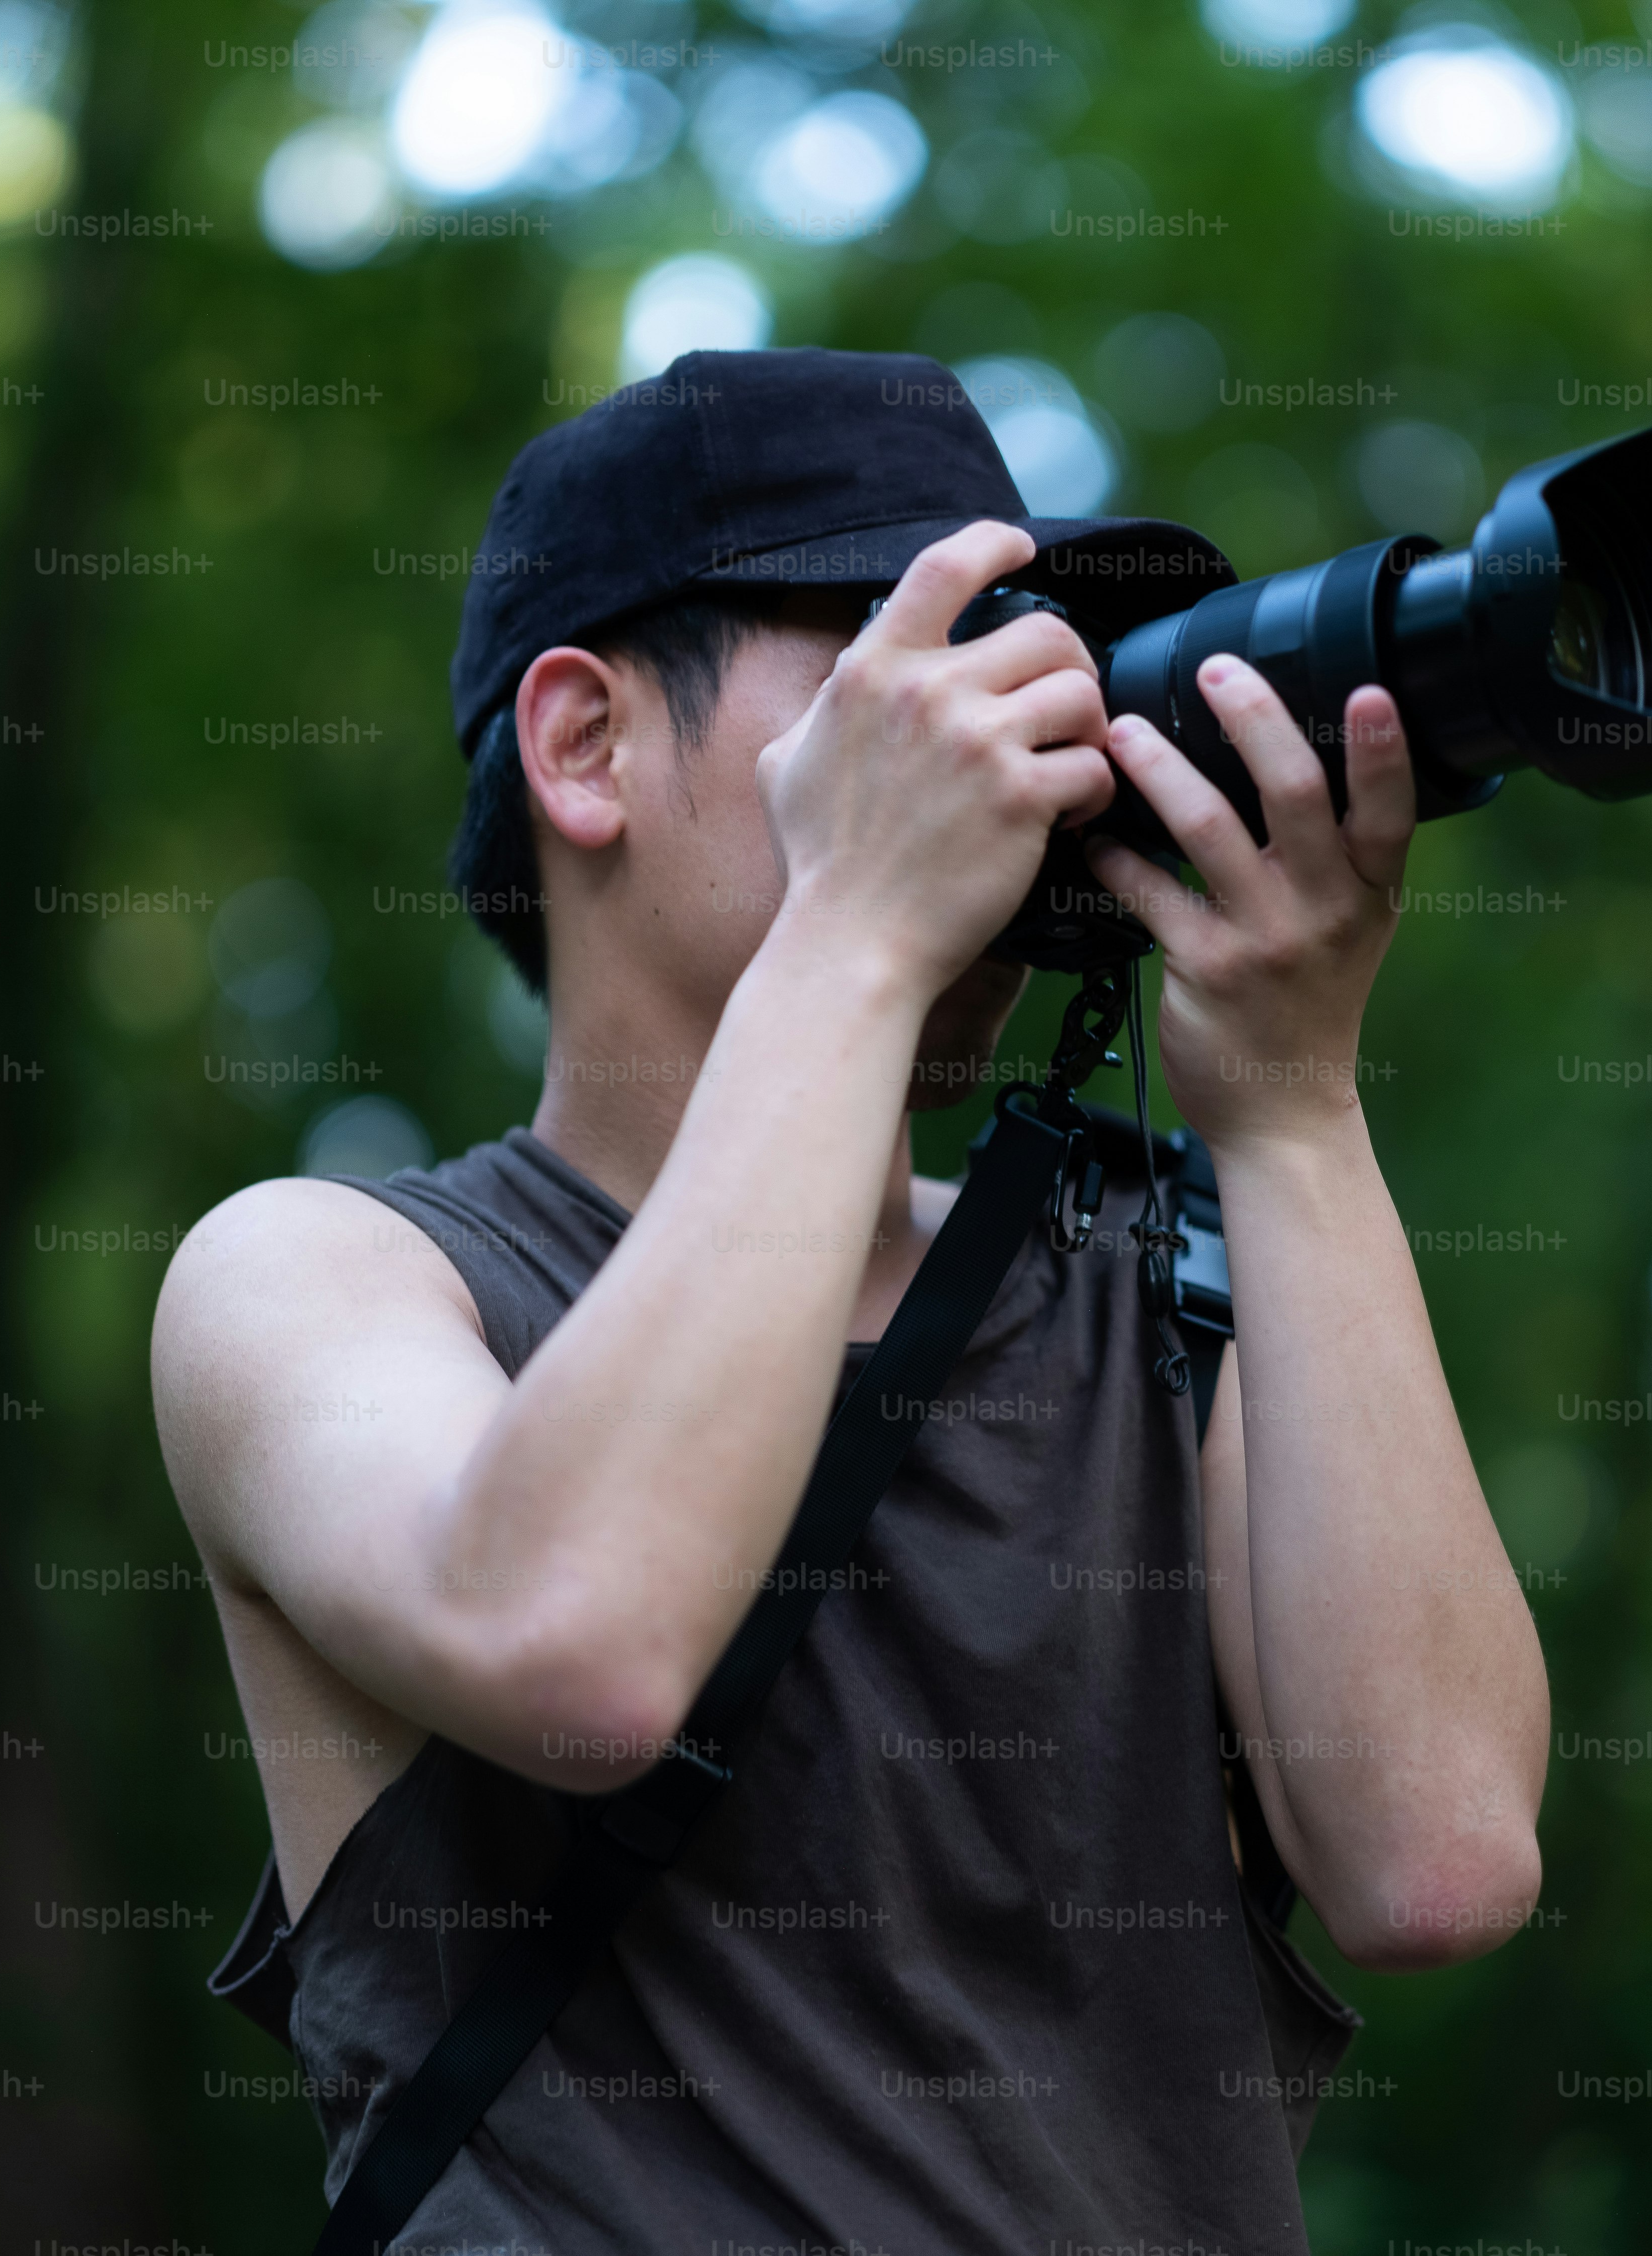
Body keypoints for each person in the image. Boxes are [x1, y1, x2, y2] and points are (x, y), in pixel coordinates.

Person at [151, 347, 1549, 2253]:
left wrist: (1296, 1113)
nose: (1028, 751)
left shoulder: (1174, 1290)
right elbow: (577, 1644)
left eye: (1044, 676)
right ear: (586, 745)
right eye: (919, 670)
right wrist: (864, 926)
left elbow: (1438, 1859)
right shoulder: (323, 1277)